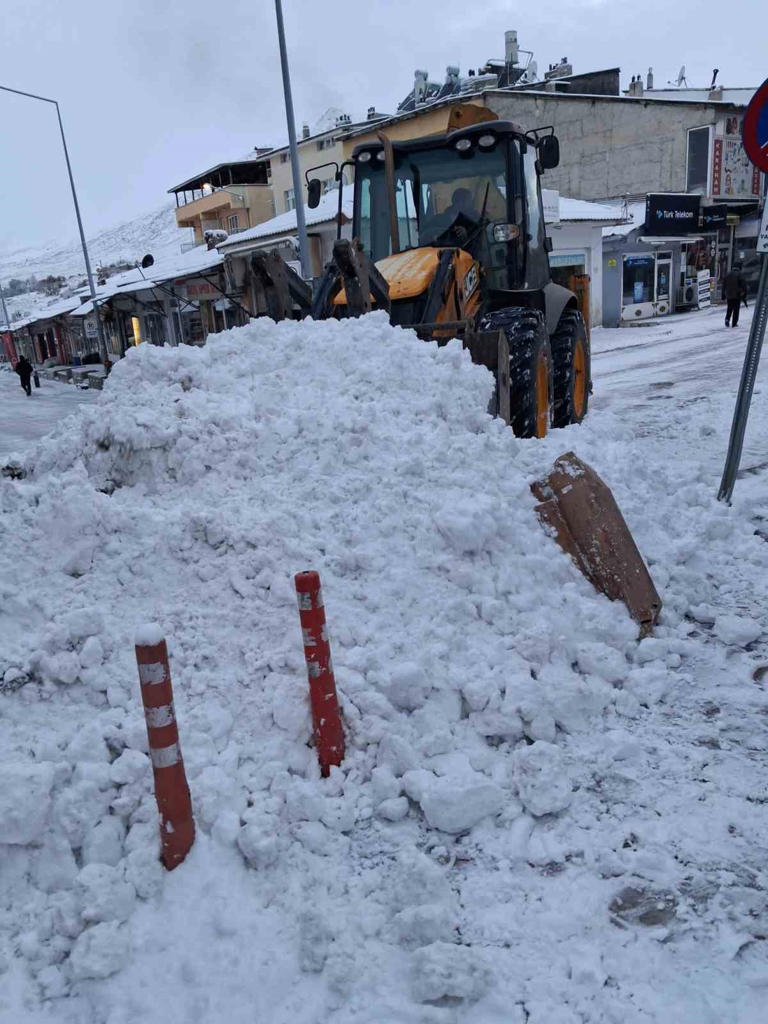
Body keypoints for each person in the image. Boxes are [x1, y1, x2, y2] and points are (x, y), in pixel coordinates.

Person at [722, 262, 747, 327]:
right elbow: (744, 286)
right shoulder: (740, 275)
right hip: (737, 295)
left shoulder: (727, 274)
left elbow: (724, 285)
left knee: (729, 308)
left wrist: (723, 295)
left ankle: (727, 319)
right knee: (736, 310)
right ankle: (734, 323)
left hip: (729, 295)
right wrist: (744, 295)